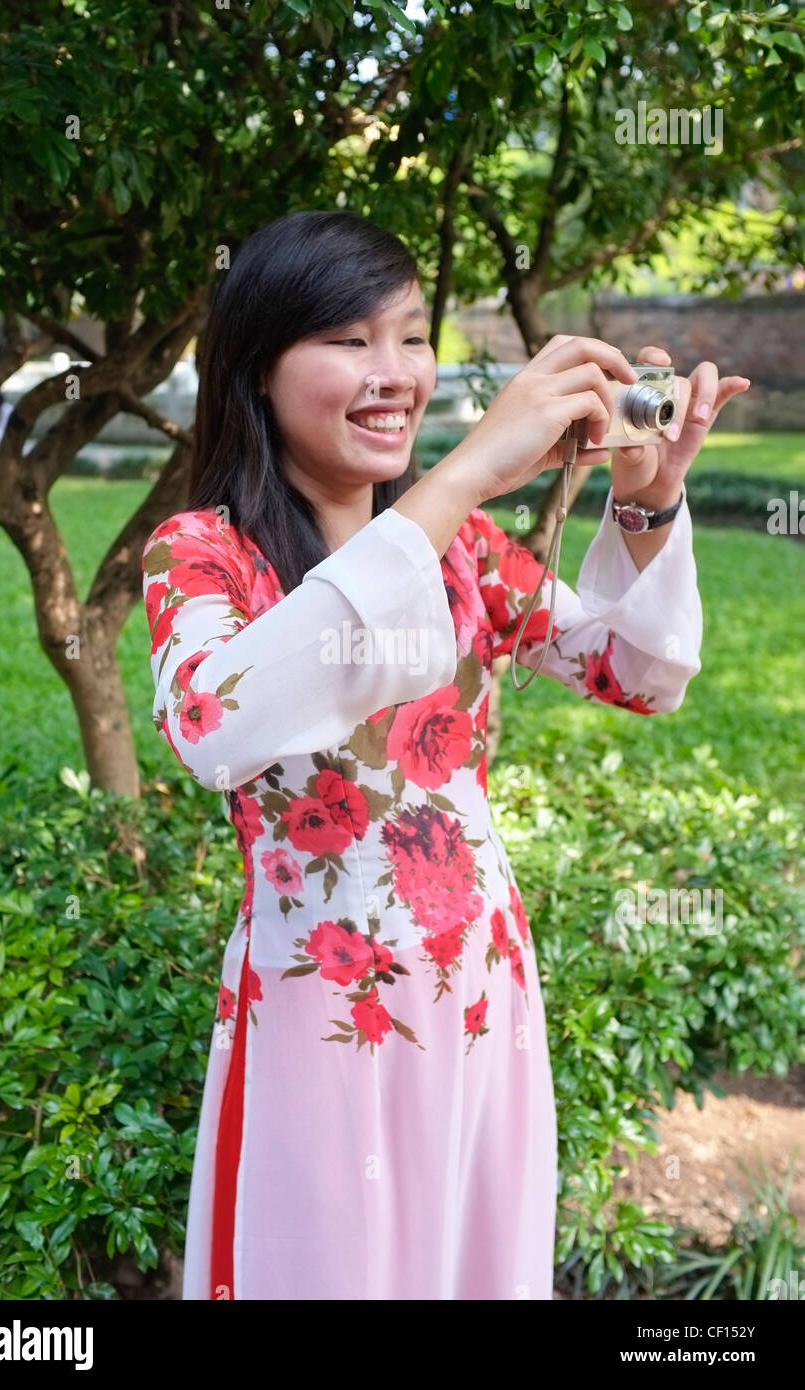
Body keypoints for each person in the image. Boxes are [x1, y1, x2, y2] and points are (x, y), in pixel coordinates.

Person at [141, 209, 749, 1301]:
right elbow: (213, 724)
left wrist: (649, 496)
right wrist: (462, 475)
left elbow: (638, 674)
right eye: (348, 340)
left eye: (412, 336)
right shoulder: (202, 554)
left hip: (478, 998)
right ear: (256, 369)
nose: (394, 374)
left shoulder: (463, 551)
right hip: (317, 1014)